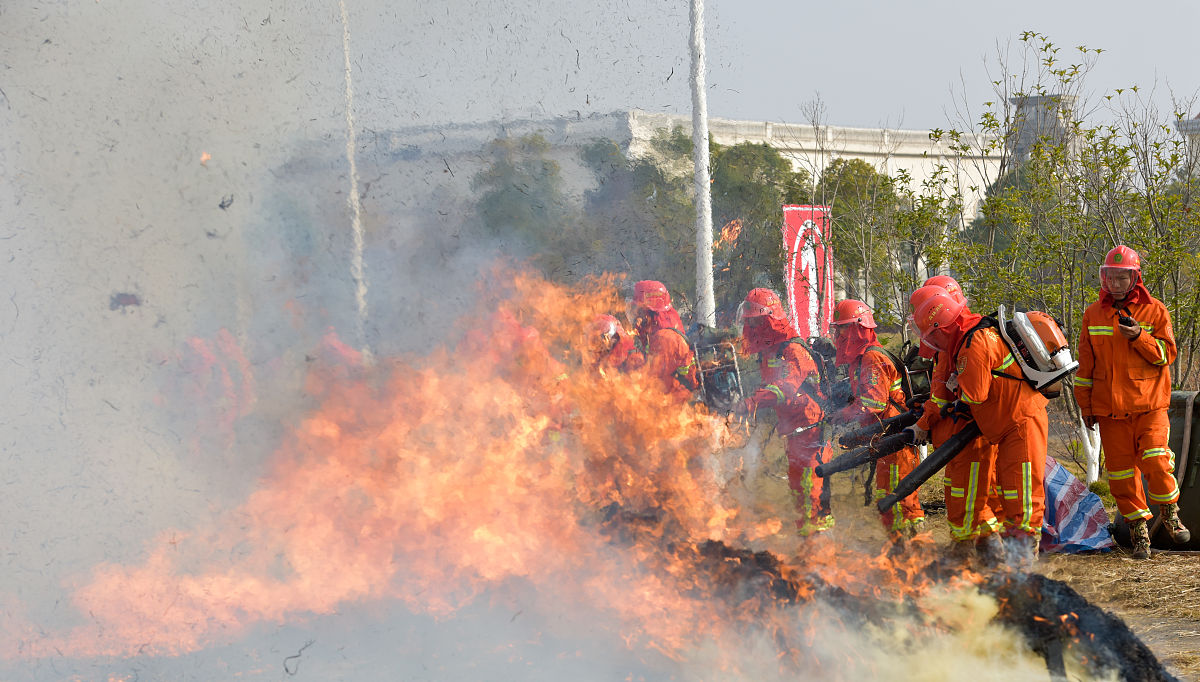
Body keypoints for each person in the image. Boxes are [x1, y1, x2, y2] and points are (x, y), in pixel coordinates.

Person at [911, 286, 1049, 568]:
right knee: (1013, 493)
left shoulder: (973, 343)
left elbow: (975, 395)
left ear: (941, 328)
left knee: (1021, 495)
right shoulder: (970, 337)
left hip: (1021, 422)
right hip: (1009, 425)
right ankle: (1012, 565)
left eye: (933, 336)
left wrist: (953, 387)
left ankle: (1023, 565)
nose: (934, 344)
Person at [1074, 245, 1189, 559]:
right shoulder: (1092, 314)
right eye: (1110, 276)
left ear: (1134, 277)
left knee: (1155, 459)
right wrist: (1086, 407)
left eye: (1121, 276)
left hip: (1150, 407)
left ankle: (1170, 514)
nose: (1115, 282)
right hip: (1110, 413)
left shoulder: (1155, 311)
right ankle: (1140, 536)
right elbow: (1085, 369)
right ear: (1103, 278)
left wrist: (1139, 336)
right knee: (1122, 477)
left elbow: (1167, 355)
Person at [909, 281, 1005, 561]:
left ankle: (975, 549)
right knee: (968, 490)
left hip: (969, 436)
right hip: (962, 436)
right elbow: (944, 392)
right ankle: (983, 545)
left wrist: (924, 425)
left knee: (971, 492)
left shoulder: (966, 343)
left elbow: (948, 394)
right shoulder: (957, 342)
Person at [735, 288, 835, 536]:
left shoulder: (793, 351)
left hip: (812, 432)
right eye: (751, 322)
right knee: (798, 490)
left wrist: (751, 403)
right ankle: (807, 546)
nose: (754, 327)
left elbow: (785, 388)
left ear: (769, 319)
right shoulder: (770, 352)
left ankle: (822, 550)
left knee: (813, 490)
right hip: (793, 431)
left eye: (757, 321)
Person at [829, 299, 924, 541]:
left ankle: (912, 549)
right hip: (885, 437)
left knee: (899, 496)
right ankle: (900, 547)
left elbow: (874, 403)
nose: (838, 334)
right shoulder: (863, 358)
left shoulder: (871, 358)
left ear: (856, 328)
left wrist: (842, 415)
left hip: (893, 437)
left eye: (842, 328)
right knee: (891, 495)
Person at [628, 280, 698, 402]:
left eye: (638, 309)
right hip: (671, 391)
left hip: (680, 399)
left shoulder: (664, 338)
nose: (635, 314)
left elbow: (654, 378)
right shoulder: (658, 326)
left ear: (649, 311)